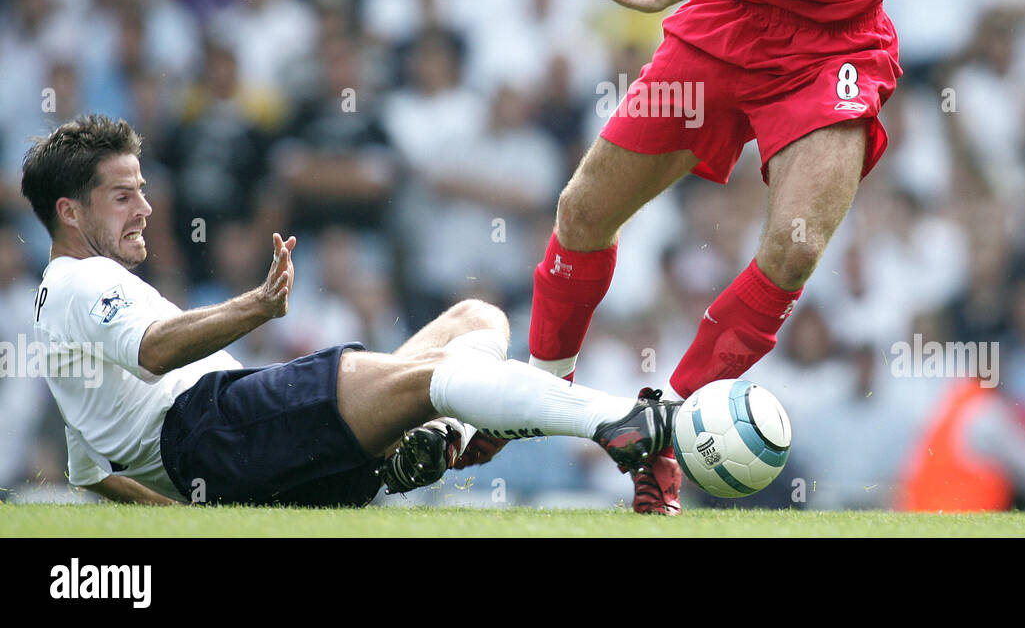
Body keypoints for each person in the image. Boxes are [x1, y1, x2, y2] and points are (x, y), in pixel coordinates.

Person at [517, 0, 992, 514]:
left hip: (832, 47)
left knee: (794, 249)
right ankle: (533, 399)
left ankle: (662, 432)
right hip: (731, 22)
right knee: (583, 210)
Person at [19, 114, 677, 507]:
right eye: (123, 196)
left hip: (244, 452)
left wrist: (193, 516)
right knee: (436, 375)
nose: (145, 209)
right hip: (215, 427)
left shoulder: (62, 307)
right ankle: (616, 419)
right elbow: (154, 350)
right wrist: (259, 305)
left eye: (142, 190)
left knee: (475, 318)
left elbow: (89, 473)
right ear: (69, 212)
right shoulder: (83, 281)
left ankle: (435, 435)